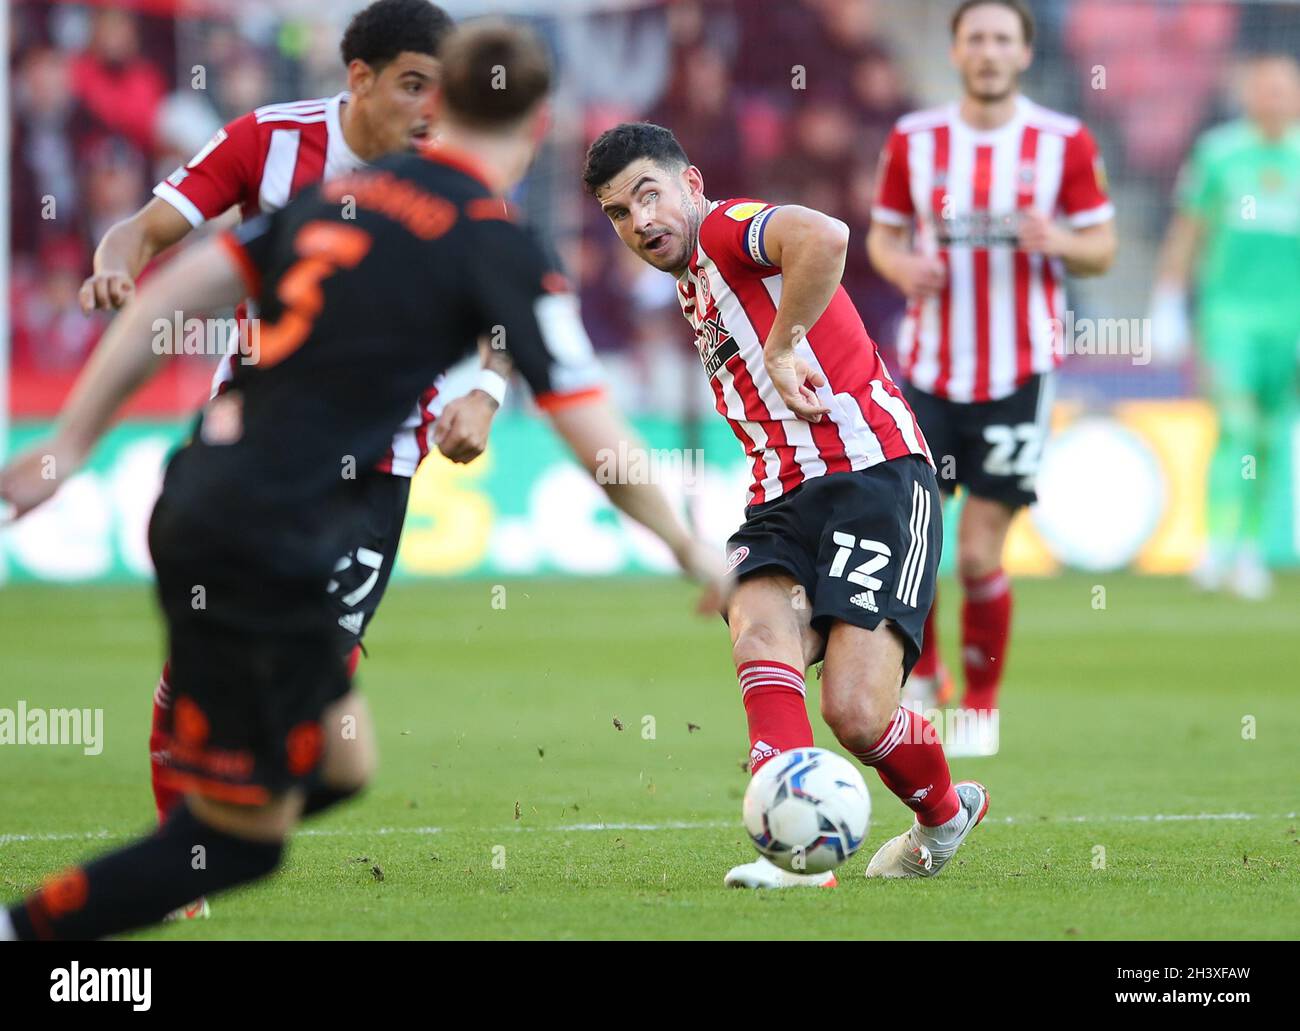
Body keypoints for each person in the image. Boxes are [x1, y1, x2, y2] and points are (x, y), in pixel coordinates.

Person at [0, 20, 712, 942]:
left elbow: (172, 295)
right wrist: (693, 546)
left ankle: (181, 844)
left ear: (442, 104)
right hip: (278, 519)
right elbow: (594, 428)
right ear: (540, 128)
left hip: (208, 488)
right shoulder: (486, 235)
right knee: (251, 822)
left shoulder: (340, 197)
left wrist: (69, 442)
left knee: (337, 765)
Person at [583, 120, 989, 888]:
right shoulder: (692, 286)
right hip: (780, 495)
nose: (640, 221)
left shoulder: (731, 229)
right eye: (618, 213)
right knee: (759, 633)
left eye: (649, 195)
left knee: (856, 714)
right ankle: (799, 859)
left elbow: (826, 236)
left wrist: (783, 339)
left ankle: (943, 814)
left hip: (875, 477)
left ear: (692, 184)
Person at [867, 0, 1116, 755]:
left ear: (1024, 53)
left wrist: (1061, 240)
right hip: (931, 370)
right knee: (920, 539)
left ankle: (979, 701)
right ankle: (922, 678)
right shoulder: (914, 139)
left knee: (977, 551)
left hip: (1017, 371)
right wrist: (904, 265)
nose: (988, 51)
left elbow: (1101, 247)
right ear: (955, 52)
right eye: (975, 37)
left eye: (1002, 38)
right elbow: (882, 235)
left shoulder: (1062, 142)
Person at [1151, 53, 1300, 600]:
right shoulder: (1220, 154)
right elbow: (1190, 229)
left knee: (1271, 434)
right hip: (1230, 318)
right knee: (1235, 425)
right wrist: (1168, 300)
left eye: (1285, 90)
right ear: (1249, 95)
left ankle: (1251, 550)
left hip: (1292, 325)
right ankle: (1216, 544)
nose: (1275, 100)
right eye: (1266, 89)